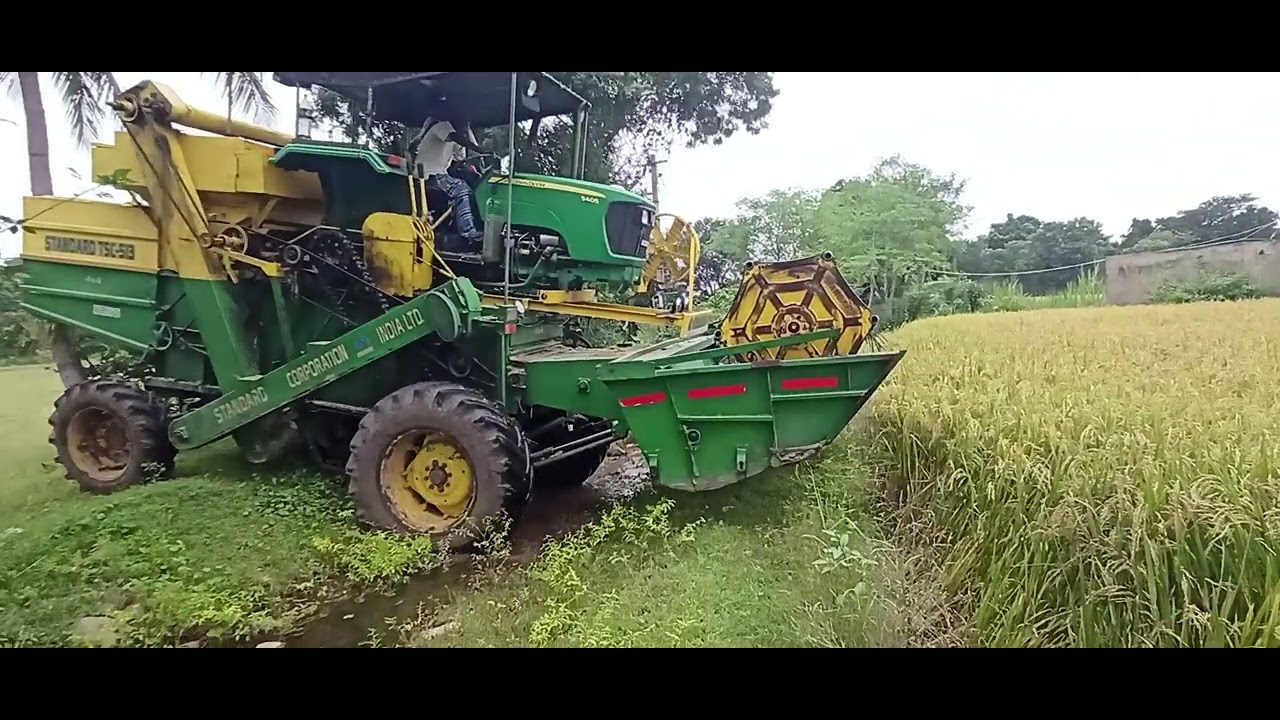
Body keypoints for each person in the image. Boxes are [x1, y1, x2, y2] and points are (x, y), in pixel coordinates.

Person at [412, 119, 484, 243]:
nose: (465, 127)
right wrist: (480, 149)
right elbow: (457, 138)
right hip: (428, 176)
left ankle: (457, 227)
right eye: (464, 123)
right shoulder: (443, 127)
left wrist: (469, 133)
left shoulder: (453, 140)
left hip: (438, 175)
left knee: (470, 189)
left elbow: (461, 159)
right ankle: (467, 232)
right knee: (461, 188)